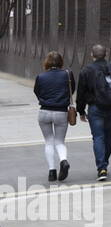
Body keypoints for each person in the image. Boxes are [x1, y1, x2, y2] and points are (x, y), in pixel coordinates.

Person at [77, 44, 111, 182]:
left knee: (98, 137)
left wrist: (81, 111)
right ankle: (105, 163)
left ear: (92, 55)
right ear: (106, 54)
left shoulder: (86, 71)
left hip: (95, 108)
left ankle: (101, 167)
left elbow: (81, 93)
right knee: (108, 136)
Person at [33, 51, 74, 184]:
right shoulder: (67, 74)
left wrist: (45, 99)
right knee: (60, 141)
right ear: (61, 62)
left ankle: (52, 172)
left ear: (47, 62)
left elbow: (36, 92)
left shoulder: (40, 76)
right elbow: (71, 89)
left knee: (49, 141)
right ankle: (63, 160)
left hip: (44, 111)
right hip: (61, 112)